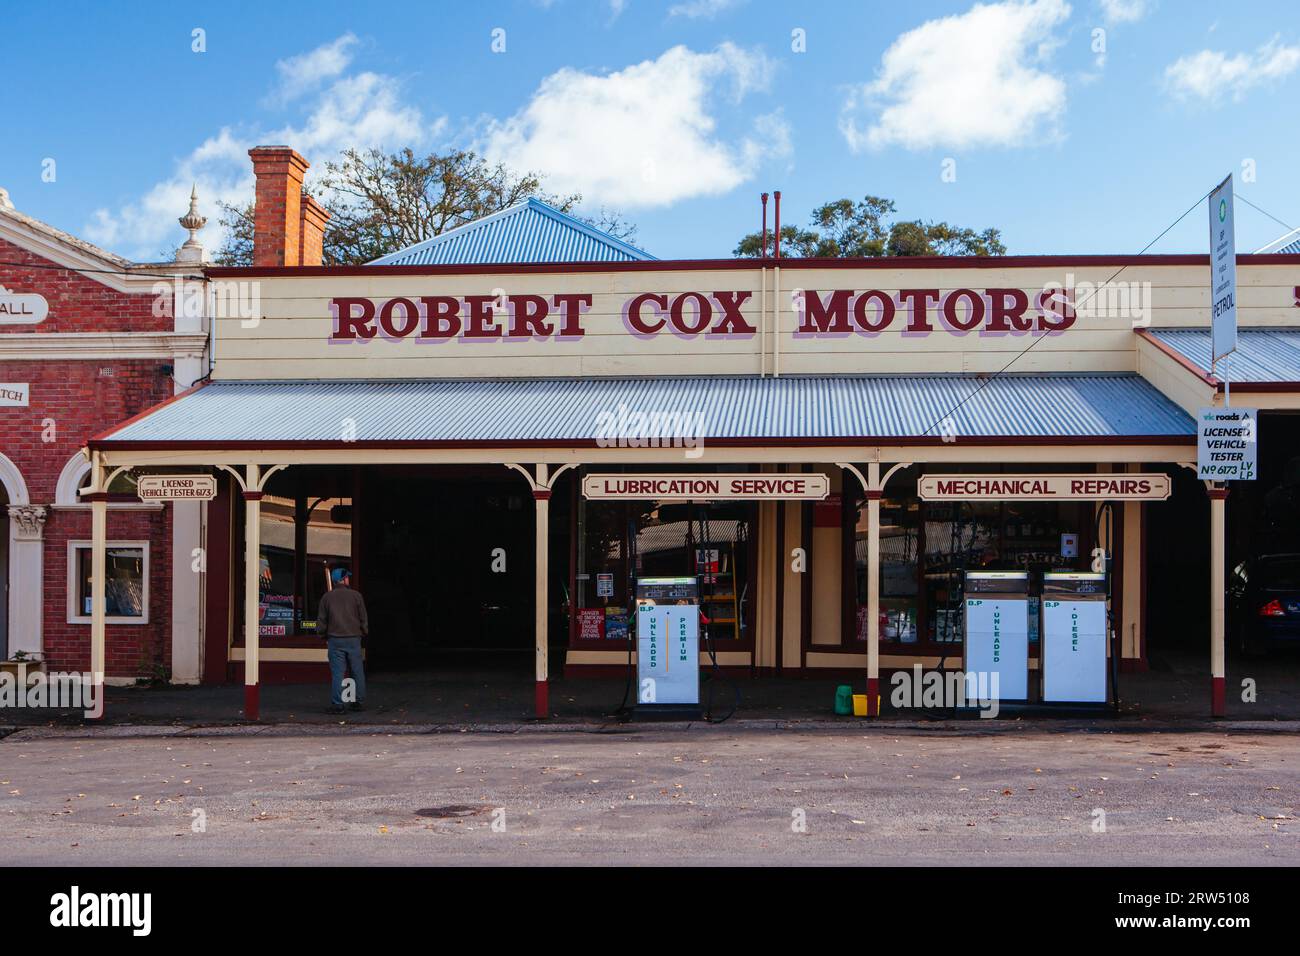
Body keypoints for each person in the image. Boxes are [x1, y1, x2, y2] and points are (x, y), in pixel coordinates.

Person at [317, 567, 368, 714]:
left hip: (335, 640)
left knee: (338, 673)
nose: (349, 579)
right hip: (354, 639)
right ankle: (358, 701)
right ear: (344, 579)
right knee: (357, 671)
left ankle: (338, 704)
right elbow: (363, 618)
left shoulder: (327, 597)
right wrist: (363, 632)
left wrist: (322, 635)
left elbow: (321, 621)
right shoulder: (356, 596)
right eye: (348, 577)